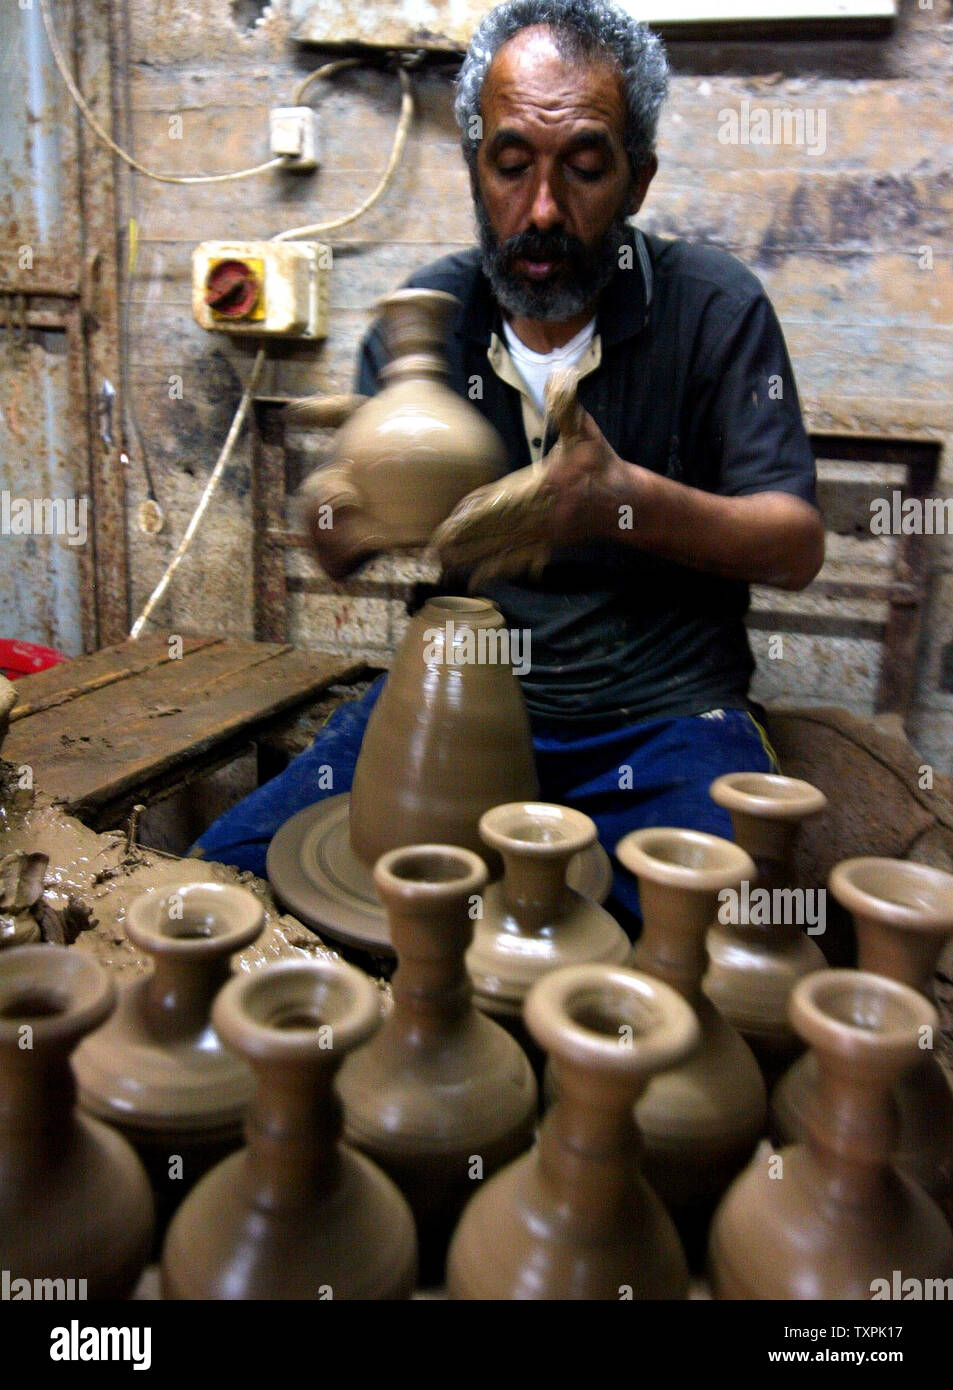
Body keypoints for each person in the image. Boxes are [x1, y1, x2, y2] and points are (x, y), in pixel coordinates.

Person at [194, 0, 824, 935]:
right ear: (473, 165)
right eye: (510, 162)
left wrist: (621, 503)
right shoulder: (425, 323)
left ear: (638, 181)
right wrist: (334, 515)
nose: (541, 210)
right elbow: (338, 551)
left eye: (584, 168)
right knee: (223, 887)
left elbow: (795, 546)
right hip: (455, 699)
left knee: (722, 941)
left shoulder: (712, 306)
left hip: (658, 715)